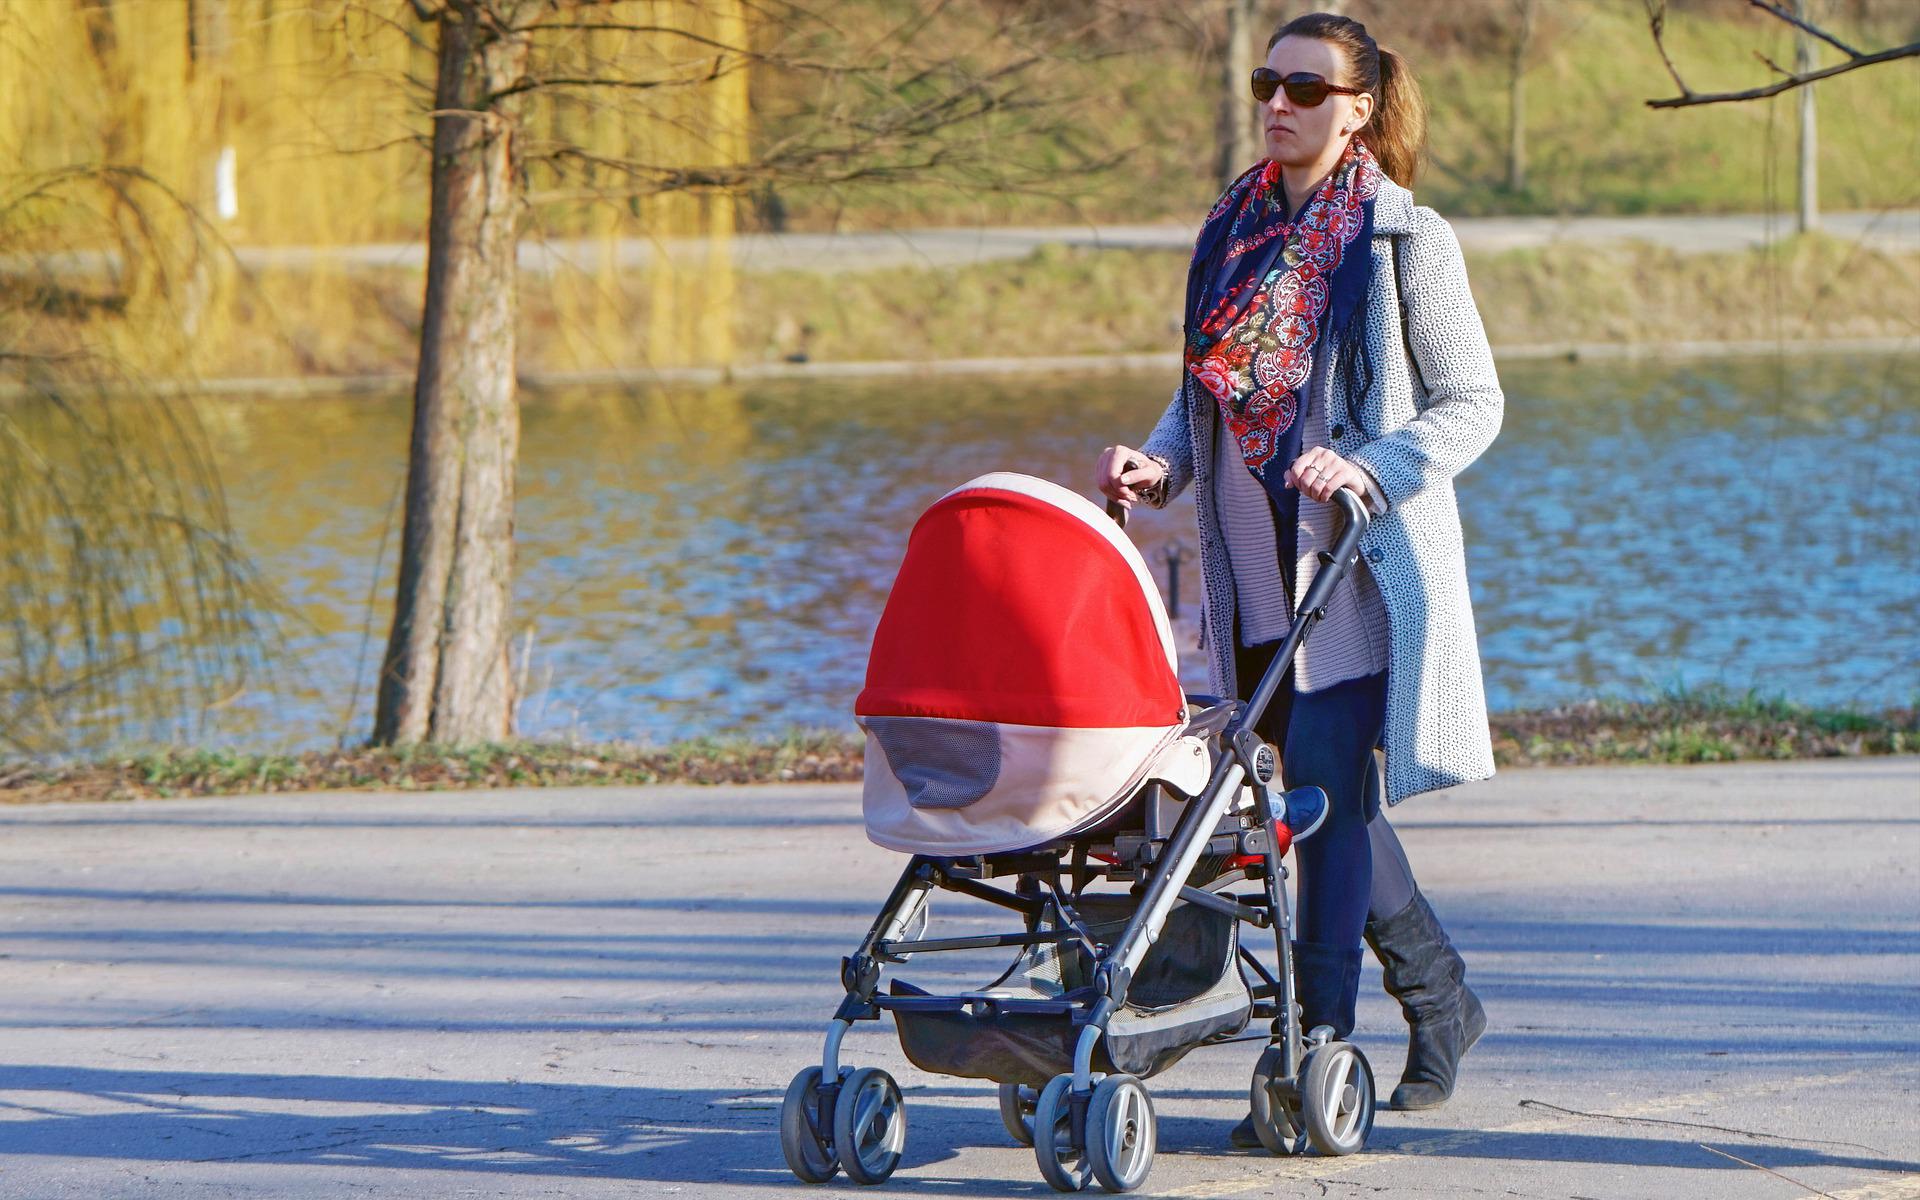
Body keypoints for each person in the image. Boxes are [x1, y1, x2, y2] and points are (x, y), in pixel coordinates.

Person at [1094, 12, 1500, 1137]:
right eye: (1270, 82)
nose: (1280, 103)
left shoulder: (1401, 242)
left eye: (1308, 89)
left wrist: (1367, 464)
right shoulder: (1228, 229)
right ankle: (1443, 997)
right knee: (1326, 806)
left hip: (1352, 580)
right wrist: (1159, 463)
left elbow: (1475, 406)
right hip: (1254, 577)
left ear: (1359, 107)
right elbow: (1204, 392)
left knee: (1319, 813)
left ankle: (1309, 1060)